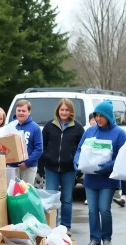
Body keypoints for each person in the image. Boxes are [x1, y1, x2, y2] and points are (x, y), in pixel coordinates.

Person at [74, 100, 126, 245]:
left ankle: (107, 239)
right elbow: (79, 149)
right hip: (91, 178)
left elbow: (122, 157)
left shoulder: (119, 133)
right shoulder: (90, 131)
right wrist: (76, 161)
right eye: (96, 115)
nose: (98, 119)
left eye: (101, 116)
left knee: (104, 209)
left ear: (109, 116)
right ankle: (94, 240)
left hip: (108, 179)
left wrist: (109, 166)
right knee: (92, 210)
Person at [42, 98, 84, 237]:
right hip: (51, 168)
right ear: (58, 110)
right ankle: (53, 226)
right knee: (52, 199)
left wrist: (77, 167)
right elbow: (44, 145)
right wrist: (46, 160)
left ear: (71, 111)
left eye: (67, 110)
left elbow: (81, 149)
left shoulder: (78, 128)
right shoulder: (49, 126)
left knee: (66, 199)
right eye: (62, 109)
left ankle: (66, 227)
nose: (64, 112)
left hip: (69, 170)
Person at [10, 99, 43, 186]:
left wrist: (27, 162)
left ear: (29, 112)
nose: (21, 113)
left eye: (24, 111)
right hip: (13, 167)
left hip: (29, 167)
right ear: (16, 111)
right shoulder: (10, 126)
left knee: (26, 192)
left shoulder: (35, 128)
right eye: (19, 110)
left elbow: (39, 149)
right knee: (13, 192)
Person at [84, 113, 97, 205]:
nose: (95, 121)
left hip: (100, 163)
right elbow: (80, 147)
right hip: (88, 163)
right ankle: (88, 198)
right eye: (92, 119)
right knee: (88, 180)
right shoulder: (88, 131)